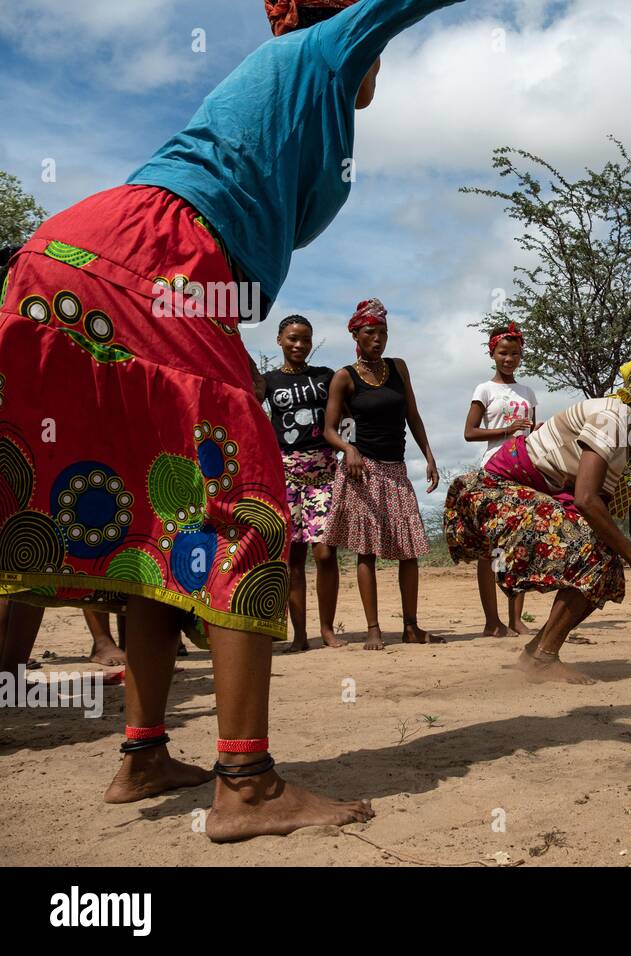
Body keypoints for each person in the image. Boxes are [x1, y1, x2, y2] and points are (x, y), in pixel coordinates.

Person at [0, 0, 466, 841]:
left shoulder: (279, 88)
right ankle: (246, 784)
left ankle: (142, 757)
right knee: (245, 511)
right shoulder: (322, 49)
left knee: (162, 514)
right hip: (156, 265)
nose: (378, 71)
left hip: (69, 256)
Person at [443, 353, 631, 684]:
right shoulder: (612, 418)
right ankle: (543, 658)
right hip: (498, 490)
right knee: (595, 554)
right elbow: (587, 500)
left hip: (542, 498)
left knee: (606, 564)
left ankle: (538, 653)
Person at [321, 299, 439, 650]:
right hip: (363, 471)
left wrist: (429, 456)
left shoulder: (398, 368)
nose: (378, 339)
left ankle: (411, 627)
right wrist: (349, 449)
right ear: (356, 334)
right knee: (366, 551)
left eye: (383, 333)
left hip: (397, 469)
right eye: (370, 332)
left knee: (410, 550)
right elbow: (330, 429)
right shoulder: (344, 377)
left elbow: (413, 416)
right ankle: (373, 629)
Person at [262, 315, 342, 652]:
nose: (299, 345)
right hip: (286, 473)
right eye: (293, 338)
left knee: (325, 553)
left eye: (305, 339)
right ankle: (299, 635)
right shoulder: (268, 381)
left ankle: (327, 629)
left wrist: (349, 451)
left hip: (324, 471)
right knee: (293, 558)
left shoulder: (325, 377)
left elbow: (345, 418)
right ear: (279, 339)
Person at [462, 323, 537, 637]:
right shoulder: (484, 389)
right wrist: (509, 430)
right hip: (494, 470)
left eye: (515, 353)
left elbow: (530, 431)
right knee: (490, 549)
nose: (509, 359)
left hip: (524, 469)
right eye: (503, 353)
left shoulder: (528, 392)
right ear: (492, 353)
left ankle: (516, 619)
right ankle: (491, 621)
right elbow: (470, 432)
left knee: (518, 547)